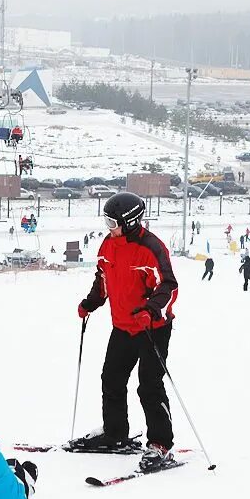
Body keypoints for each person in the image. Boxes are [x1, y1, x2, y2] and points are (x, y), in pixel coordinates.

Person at [72, 193, 180, 471]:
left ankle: (161, 444)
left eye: (113, 221)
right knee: (112, 378)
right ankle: (116, 433)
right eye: (106, 220)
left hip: (151, 328)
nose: (109, 227)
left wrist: (151, 310)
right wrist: (91, 302)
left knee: (149, 386)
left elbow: (168, 286)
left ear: (130, 221)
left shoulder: (150, 248)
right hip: (122, 326)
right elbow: (103, 279)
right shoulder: (108, 245)